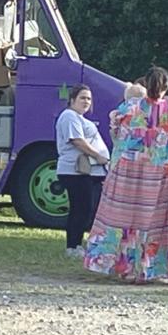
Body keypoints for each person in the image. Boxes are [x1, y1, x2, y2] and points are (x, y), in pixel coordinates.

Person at [83, 65, 168, 284]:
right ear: (166, 87)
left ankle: (127, 267)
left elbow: (113, 128)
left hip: (128, 174)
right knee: (157, 221)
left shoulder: (128, 109)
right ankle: (151, 268)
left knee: (126, 219)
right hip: (160, 175)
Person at [54, 85, 108, 256]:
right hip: (74, 171)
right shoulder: (69, 116)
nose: (86, 102)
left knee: (87, 209)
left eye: (89, 99)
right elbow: (77, 140)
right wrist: (98, 156)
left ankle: (79, 245)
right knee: (80, 208)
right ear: (72, 100)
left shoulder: (81, 119)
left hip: (89, 172)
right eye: (82, 98)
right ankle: (72, 246)